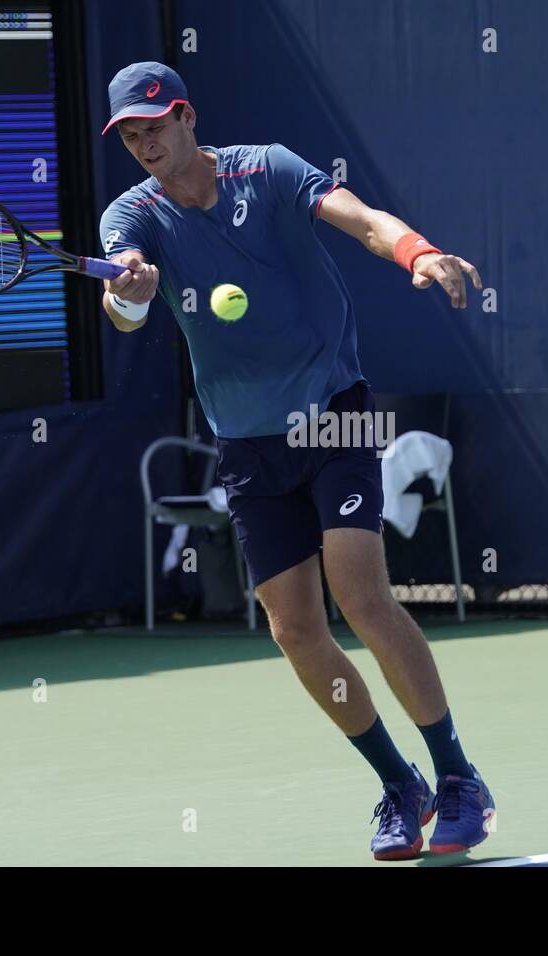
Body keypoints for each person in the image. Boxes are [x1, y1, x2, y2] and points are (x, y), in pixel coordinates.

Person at [97, 62, 494, 860]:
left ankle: (456, 777)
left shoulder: (268, 169)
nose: (144, 144)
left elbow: (361, 218)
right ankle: (397, 783)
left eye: (154, 126)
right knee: (295, 629)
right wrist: (132, 292)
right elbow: (127, 312)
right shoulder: (130, 218)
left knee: (360, 594)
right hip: (245, 444)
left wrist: (416, 252)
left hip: (332, 413)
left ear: (186, 117)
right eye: (130, 134)